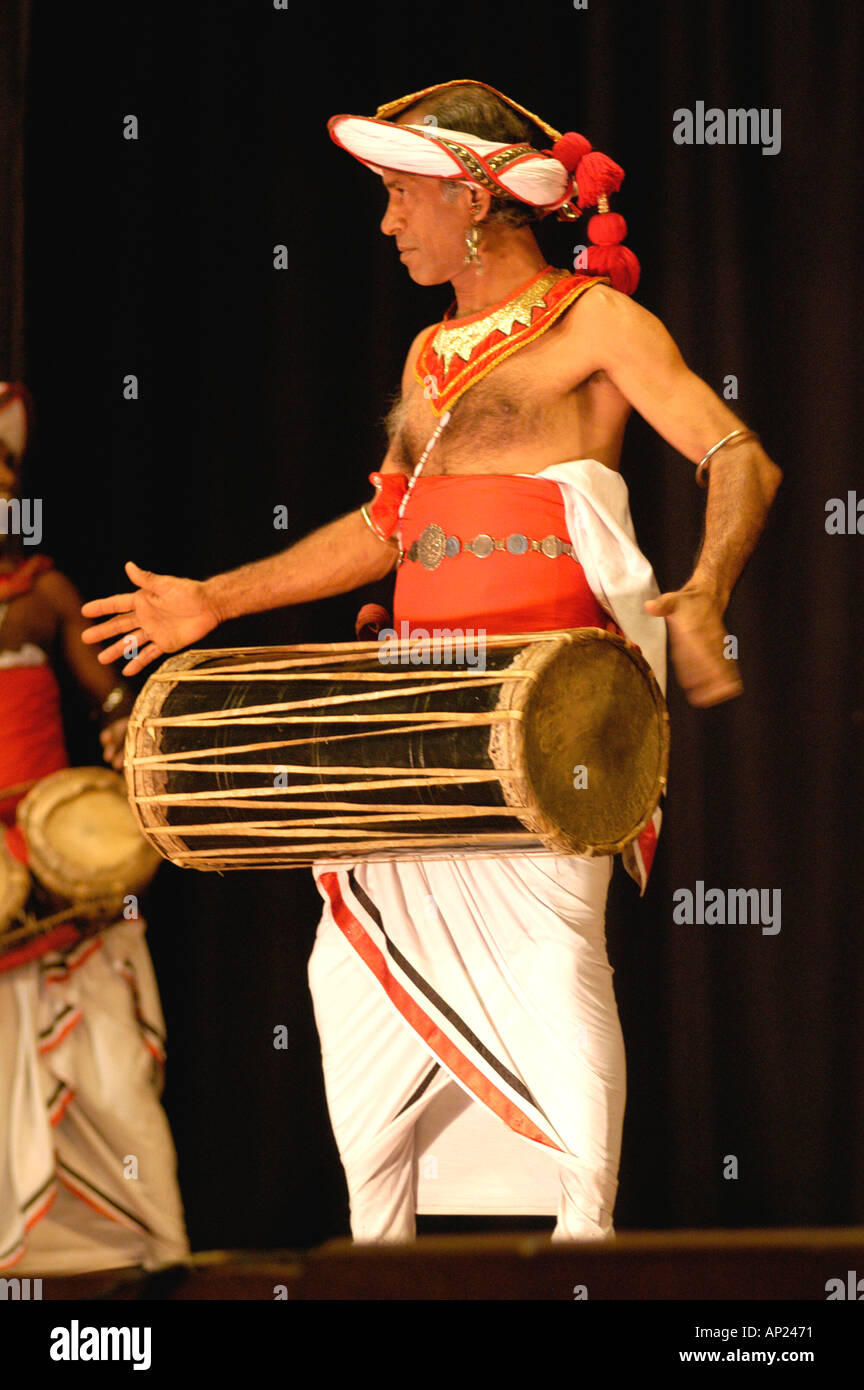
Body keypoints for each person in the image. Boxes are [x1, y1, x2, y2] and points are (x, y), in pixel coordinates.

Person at [81, 81, 781, 1242]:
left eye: (402, 196)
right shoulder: (427, 354)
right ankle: (382, 1253)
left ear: (471, 197)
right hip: (419, 698)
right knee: (351, 975)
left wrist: (705, 589)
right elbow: (383, 532)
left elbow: (736, 454)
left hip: (549, 709)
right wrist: (215, 599)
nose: (388, 222)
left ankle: (583, 1237)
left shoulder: (592, 321)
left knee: (553, 969)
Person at [0, 381, 188, 1275]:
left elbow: (108, 691)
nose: (0, 486)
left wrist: (125, 729)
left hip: (56, 854)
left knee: (106, 1061)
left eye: (5, 470)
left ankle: (154, 1253)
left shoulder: (42, 594)